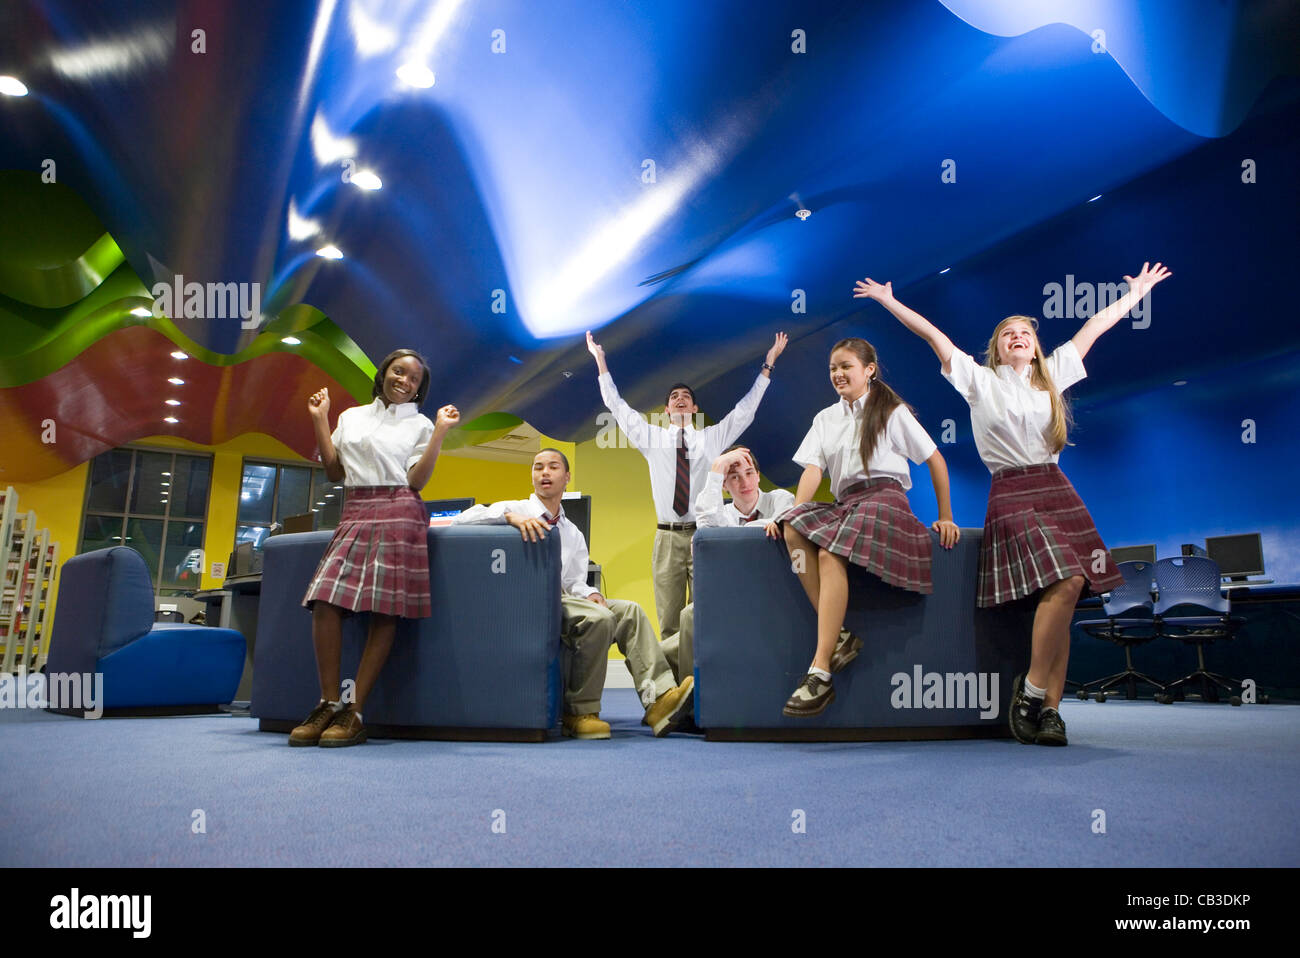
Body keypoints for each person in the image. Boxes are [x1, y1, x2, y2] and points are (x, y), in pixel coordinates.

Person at [855, 262, 1172, 745]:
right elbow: (933, 335)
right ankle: (1031, 690)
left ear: (1035, 345)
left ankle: (1049, 711)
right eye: (1008, 334)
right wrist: (889, 299)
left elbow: (1095, 326)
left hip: (1057, 488)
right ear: (997, 347)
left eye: (1025, 332)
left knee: (1067, 594)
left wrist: (1138, 293)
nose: (1018, 337)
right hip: (1011, 491)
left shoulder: (1052, 377)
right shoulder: (978, 381)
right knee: (1066, 582)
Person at [453, 448, 695, 739]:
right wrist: (509, 519)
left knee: (629, 611)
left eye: (553, 467)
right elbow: (464, 518)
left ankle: (659, 699)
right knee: (600, 618)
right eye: (538, 467)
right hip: (532, 603)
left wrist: (591, 593)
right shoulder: (517, 509)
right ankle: (580, 712)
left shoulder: (572, 532)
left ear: (566, 477)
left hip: (565, 601)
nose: (544, 472)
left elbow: (575, 581)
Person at [779, 338, 960, 717]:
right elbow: (813, 471)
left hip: (885, 500)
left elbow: (935, 459)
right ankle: (840, 636)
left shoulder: (891, 410)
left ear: (869, 370)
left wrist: (946, 515)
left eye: (846, 366)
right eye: (832, 368)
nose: (838, 374)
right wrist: (792, 513)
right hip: (848, 504)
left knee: (831, 552)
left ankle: (820, 671)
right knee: (793, 530)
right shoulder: (825, 418)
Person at [291, 348, 459, 748]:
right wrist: (320, 420)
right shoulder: (350, 417)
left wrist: (438, 431)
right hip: (354, 508)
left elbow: (417, 482)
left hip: (401, 507)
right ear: (383, 373)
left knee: (385, 608)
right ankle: (327, 703)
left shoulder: (419, 424)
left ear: (420, 388)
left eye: (414, 378)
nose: (404, 380)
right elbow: (334, 472)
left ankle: (355, 711)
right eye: (398, 372)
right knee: (324, 600)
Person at [586, 329, 787, 647]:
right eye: (673, 398)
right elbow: (616, 405)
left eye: (686, 397)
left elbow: (745, 411)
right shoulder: (651, 438)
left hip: (704, 534)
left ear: (694, 409)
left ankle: (705, 686)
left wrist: (768, 365)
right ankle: (677, 691)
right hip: (666, 538)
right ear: (666, 410)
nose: (680, 399)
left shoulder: (712, 438)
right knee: (669, 622)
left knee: (707, 614)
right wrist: (600, 361)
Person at [661, 445, 794, 686]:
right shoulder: (720, 512)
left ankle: (692, 699)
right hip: (730, 597)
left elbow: (785, 523)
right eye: (734, 476)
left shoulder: (780, 500)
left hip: (773, 596)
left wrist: (732, 537)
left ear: (758, 474)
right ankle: (687, 700)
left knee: (690, 616)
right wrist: (716, 469)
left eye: (750, 472)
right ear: (724, 484)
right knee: (659, 654)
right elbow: (706, 529)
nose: (745, 482)